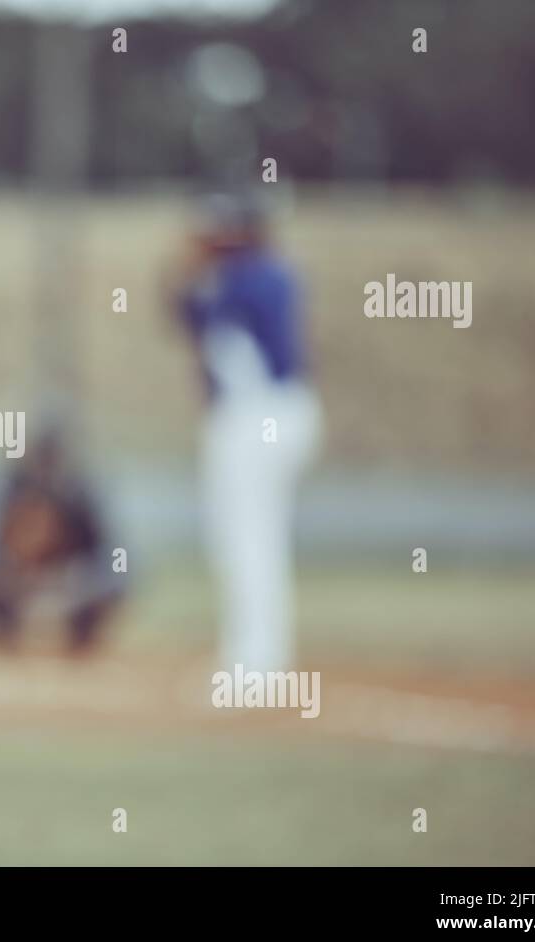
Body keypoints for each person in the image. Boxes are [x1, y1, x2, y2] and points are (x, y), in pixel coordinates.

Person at [166, 194, 320, 673]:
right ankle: (253, 654)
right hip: (266, 415)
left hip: (259, 417)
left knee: (249, 538)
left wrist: (200, 260)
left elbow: (204, 304)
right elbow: (182, 314)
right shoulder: (247, 277)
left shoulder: (256, 276)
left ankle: (256, 662)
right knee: (250, 536)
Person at [0, 422, 125, 655]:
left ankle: (81, 642)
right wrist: (7, 577)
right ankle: (4, 638)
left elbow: (116, 559)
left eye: (50, 455)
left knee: (113, 578)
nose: (44, 464)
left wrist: (79, 585)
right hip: (15, 580)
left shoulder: (80, 491)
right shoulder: (9, 486)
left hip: (73, 577)